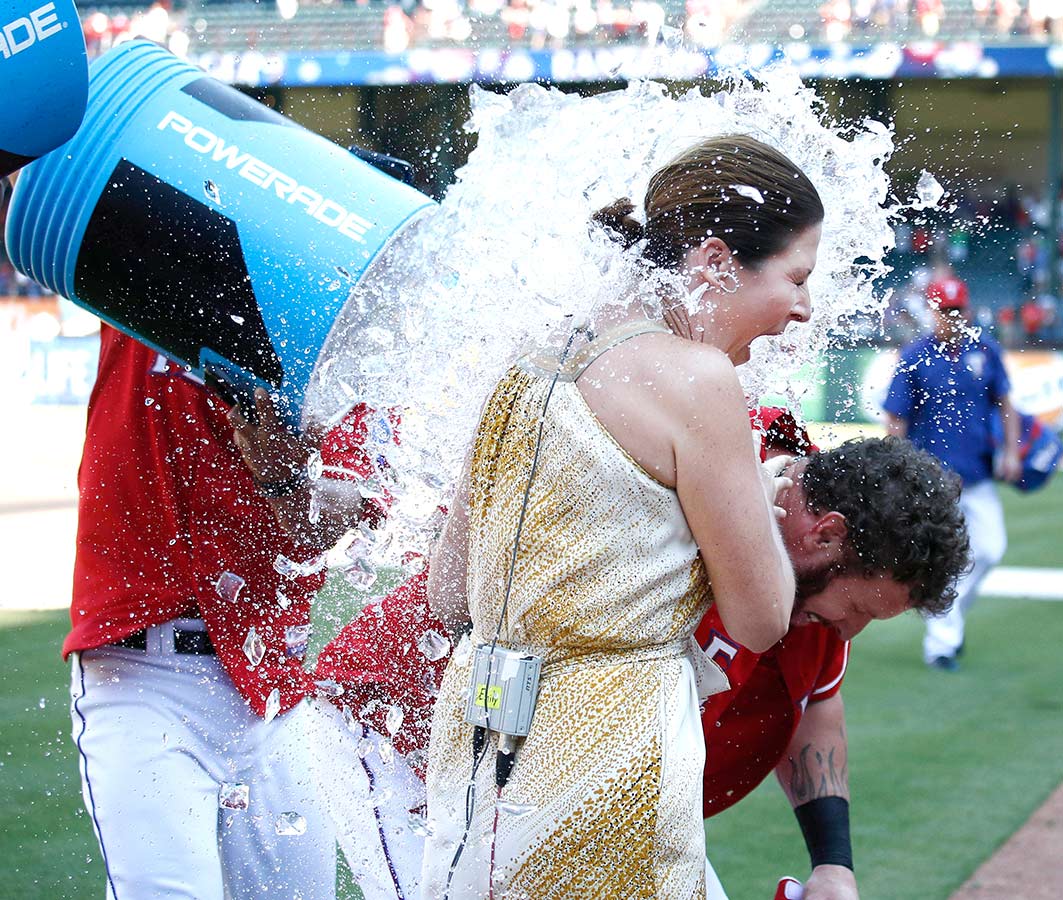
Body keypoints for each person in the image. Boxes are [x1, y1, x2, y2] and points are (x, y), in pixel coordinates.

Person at [315, 410, 969, 900]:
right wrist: (497, 805)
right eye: (855, 611)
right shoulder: (673, 487)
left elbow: (814, 703)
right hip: (410, 732)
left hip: (599, 778)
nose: (845, 632)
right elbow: (504, 638)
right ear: (824, 533)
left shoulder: (808, 565)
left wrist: (832, 864)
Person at [422, 135, 824, 898]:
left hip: (473, 741)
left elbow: (448, 593)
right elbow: (763, 619)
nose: (804, 308)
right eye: (796, 278)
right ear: (712, 263)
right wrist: (760, 493)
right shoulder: (695, 378)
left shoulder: (530, 351)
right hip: (614, 746)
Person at [63, 324, 418, 899]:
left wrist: (286, 479)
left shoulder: (342, 328)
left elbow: (337, 520)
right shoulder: (162, 257)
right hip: (142, 679)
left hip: (274, 689)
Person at [882, 274, 1021, 671]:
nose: (951, 317)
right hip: (932, 482)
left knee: (991, 548)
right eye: (944, 310)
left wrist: (1011, 450)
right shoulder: (914, 356)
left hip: (976, 474)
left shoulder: (985, 350)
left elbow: (1006, 402)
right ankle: (942, 646)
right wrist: (899, 470)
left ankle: (949, 620)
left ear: (968, 309)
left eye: (957, 309)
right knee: (947, 560)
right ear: (931, 311)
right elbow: (896, 419)